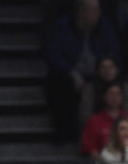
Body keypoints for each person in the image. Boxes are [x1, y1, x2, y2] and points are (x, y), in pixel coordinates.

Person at [45, 0, 121, 141]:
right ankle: (65, 131)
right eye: (91, 10)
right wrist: (72, 73)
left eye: (97, 10)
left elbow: (112, 51)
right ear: (80, 11)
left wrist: (105, 68)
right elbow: (54, 55)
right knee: (58, 81)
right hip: (71, 73)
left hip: (98, 72)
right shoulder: (63, 26)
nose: (95, 14)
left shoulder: (104, 25)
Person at [81, 81, 128, 156]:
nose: (114, 97)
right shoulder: (94, 120)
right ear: (104, 96)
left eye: (118, 94)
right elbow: (89, 148)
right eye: (111, 94)